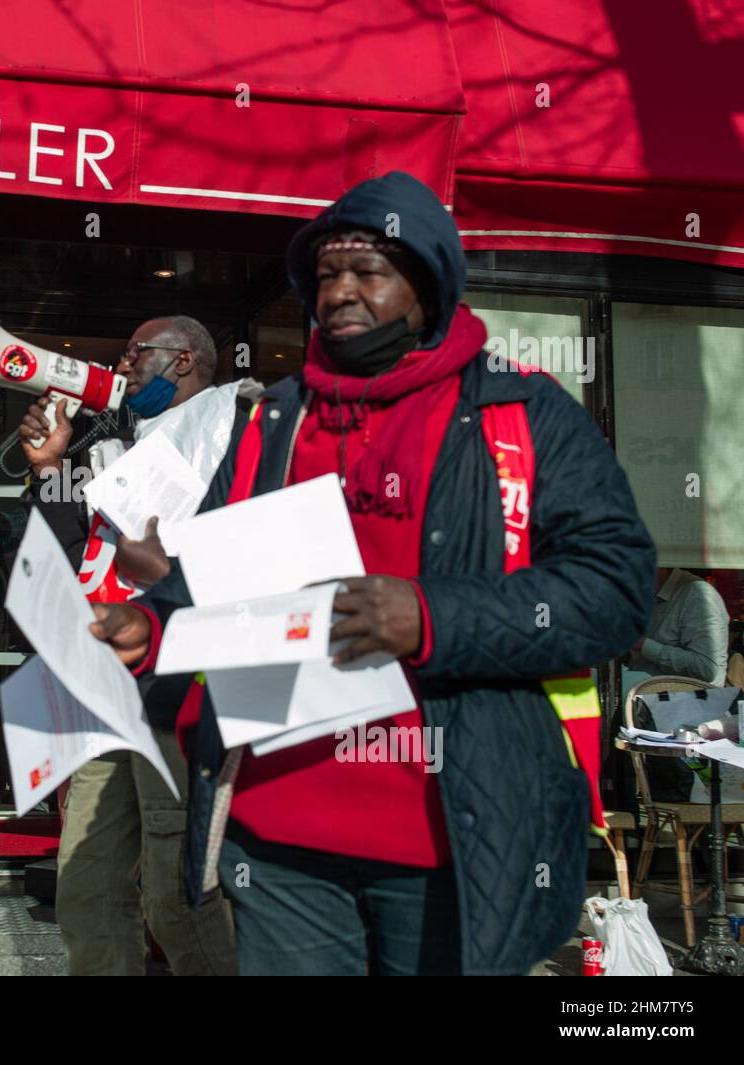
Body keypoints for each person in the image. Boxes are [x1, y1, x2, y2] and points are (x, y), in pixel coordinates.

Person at [88, 171, 656, 976]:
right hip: (277, 841)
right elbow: (207, 576)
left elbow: (617, 587)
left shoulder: (523, 414)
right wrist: (152, 625)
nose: (341, 291)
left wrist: (431, 618)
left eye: (369, 271)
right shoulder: (269, 422)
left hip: (457, 839)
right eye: (325, 274)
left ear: (427, 287)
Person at [19, 316, 254, 975]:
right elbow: (71, 561)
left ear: (184, 362)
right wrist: (49, 470)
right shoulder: (111, 446)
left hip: (178, 686)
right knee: (86, 884)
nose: (122, 365)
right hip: (104, 684)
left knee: (176, 888)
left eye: (135, 352)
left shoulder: (234, 428)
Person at [627, 567, 729, 685]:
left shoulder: (698, 594)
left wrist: (641, 644)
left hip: (689, 700)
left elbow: (706, 667)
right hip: (644, 695)